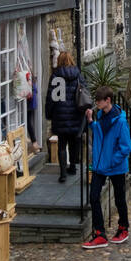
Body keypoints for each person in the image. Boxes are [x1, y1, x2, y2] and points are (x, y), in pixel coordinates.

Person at [83, 86, 131, 249]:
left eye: (99, 100)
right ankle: (100, 234)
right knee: (94, 196)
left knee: (119, 199)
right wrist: (91, 122)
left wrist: (111, 161)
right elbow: (100, 132)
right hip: (99, 166)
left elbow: (126, 147)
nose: (96, 103)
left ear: (108, 101)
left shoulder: (120, 121)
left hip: (115, 166)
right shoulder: (100, 115)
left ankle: (123, 228)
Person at [45, 51, 92, 181]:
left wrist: (49, 114)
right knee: (73, 142)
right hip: (76, 114)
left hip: (60, 115)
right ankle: (73, 166)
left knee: (61, 144)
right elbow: (85, 92)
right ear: (71, 60)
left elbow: (51, 98)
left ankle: (63, 174)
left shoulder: (56, 77)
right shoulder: (78, 75)